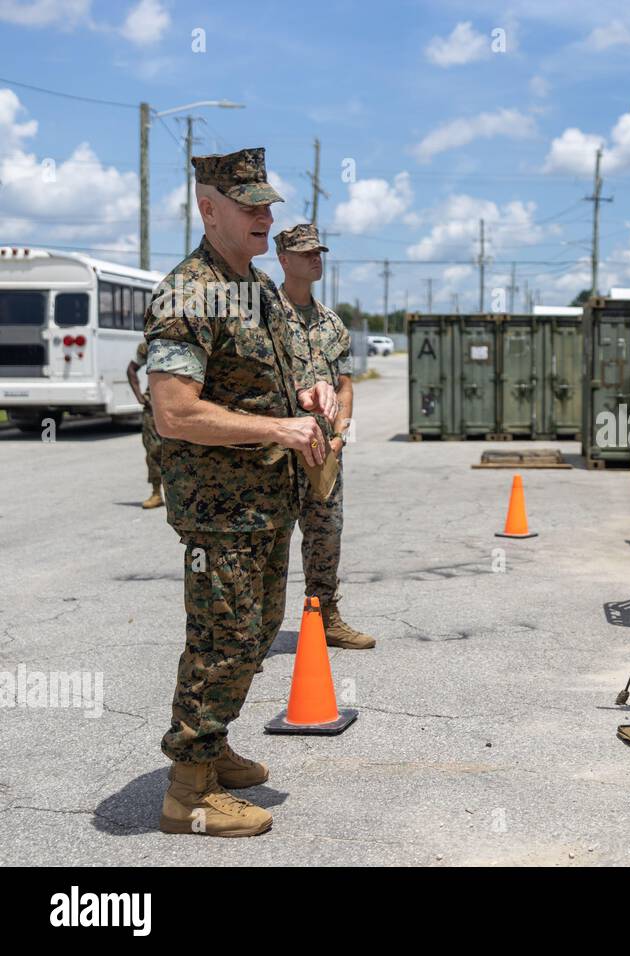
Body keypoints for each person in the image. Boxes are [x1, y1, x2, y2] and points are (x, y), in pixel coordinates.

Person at [146, 147, 337, 837]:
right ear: (208, 208)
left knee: (255, 632)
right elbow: (174, 410)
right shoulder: (188, 293)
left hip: (267, 502)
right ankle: (187, 791)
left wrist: (308, 391)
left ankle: (214, 742)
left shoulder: (252, 285)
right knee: (221, 642)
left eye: (266, 203)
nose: (265, 216)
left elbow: (279, 364)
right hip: (218, 511)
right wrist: (279, 427)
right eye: (249, 205)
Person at [275, 222, 375, 648]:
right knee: (272, 541)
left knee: (325, 537)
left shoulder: (332, 323)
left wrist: (340, 435)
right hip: (276, 451)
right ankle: (257, 632)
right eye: (305, 253)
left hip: (325, 451)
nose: (315, 258)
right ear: (283, 259)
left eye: (318, 252)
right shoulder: (266, 316)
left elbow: (346, 385)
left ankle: (324, 617)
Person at [125, 340, 163, 508]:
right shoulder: (148, 345)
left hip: (183, 405)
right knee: (153, 450)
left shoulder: (188, 340)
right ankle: (156, 493)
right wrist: (140, 397)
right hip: (153, 406)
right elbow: (131, 369)